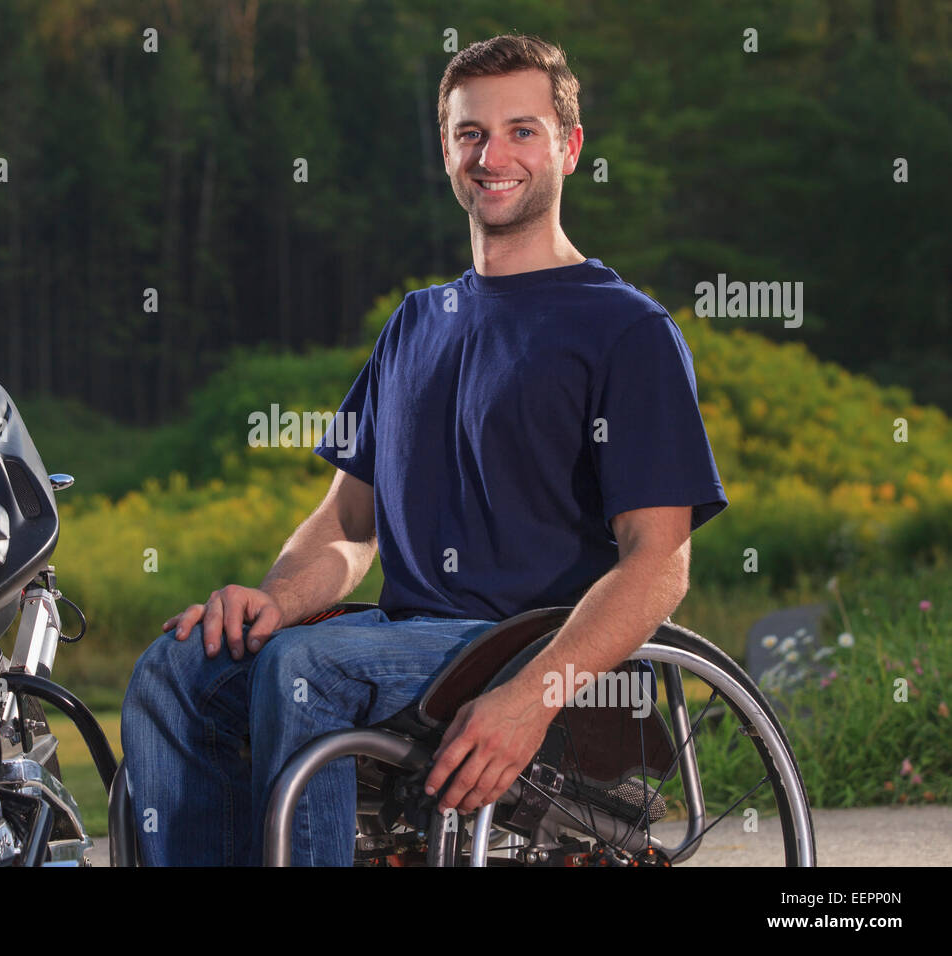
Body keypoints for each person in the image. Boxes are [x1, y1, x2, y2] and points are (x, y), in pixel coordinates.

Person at [120, 33, 727, 866]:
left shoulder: (626, 331)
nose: (493, 155)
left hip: (524, 645)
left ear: (570, 149)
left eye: (522, 130)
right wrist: (275, 600)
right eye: (471, 133)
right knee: (176, 668)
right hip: (402, 646)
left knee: (308, 667)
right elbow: (345, 527)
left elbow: (658, 564)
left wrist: (531, 696)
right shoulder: (417, 323)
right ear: (447, 149)